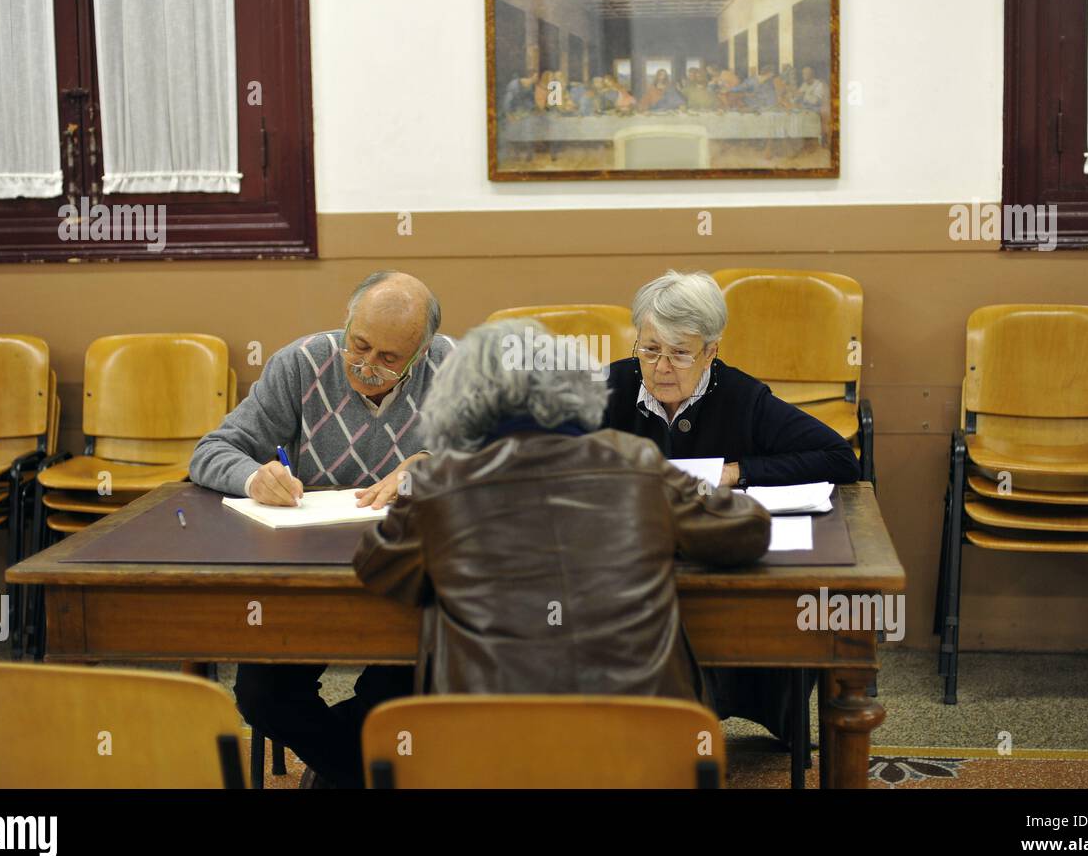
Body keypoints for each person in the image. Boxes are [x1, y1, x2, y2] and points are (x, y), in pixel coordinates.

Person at [353, 318, 771, 700]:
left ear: (456, 399)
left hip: (485, 746)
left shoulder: (438, 486)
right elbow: (747, 529)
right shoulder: (636, 462)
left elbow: (378, 566)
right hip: (641, 741)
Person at [188, 270, 453, 787]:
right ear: (347, 323)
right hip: (305, 573)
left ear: (420, 354)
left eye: (389, 358)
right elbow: (211, 451)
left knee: (409, 689)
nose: (366, 365)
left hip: (411, 578)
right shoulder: (301, 363)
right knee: (261, 695)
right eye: (359, 344)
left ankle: (338, 772)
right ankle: (356, 775)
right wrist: (251, 477)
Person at [602, 270, 861, 744]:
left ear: (710, 352)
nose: (662, 367)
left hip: (716, 565)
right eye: (650, 349)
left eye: (681, 353)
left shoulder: (742, 397)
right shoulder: (608, 386)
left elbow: (838, 458)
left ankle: (690, 721)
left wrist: (737, 472)